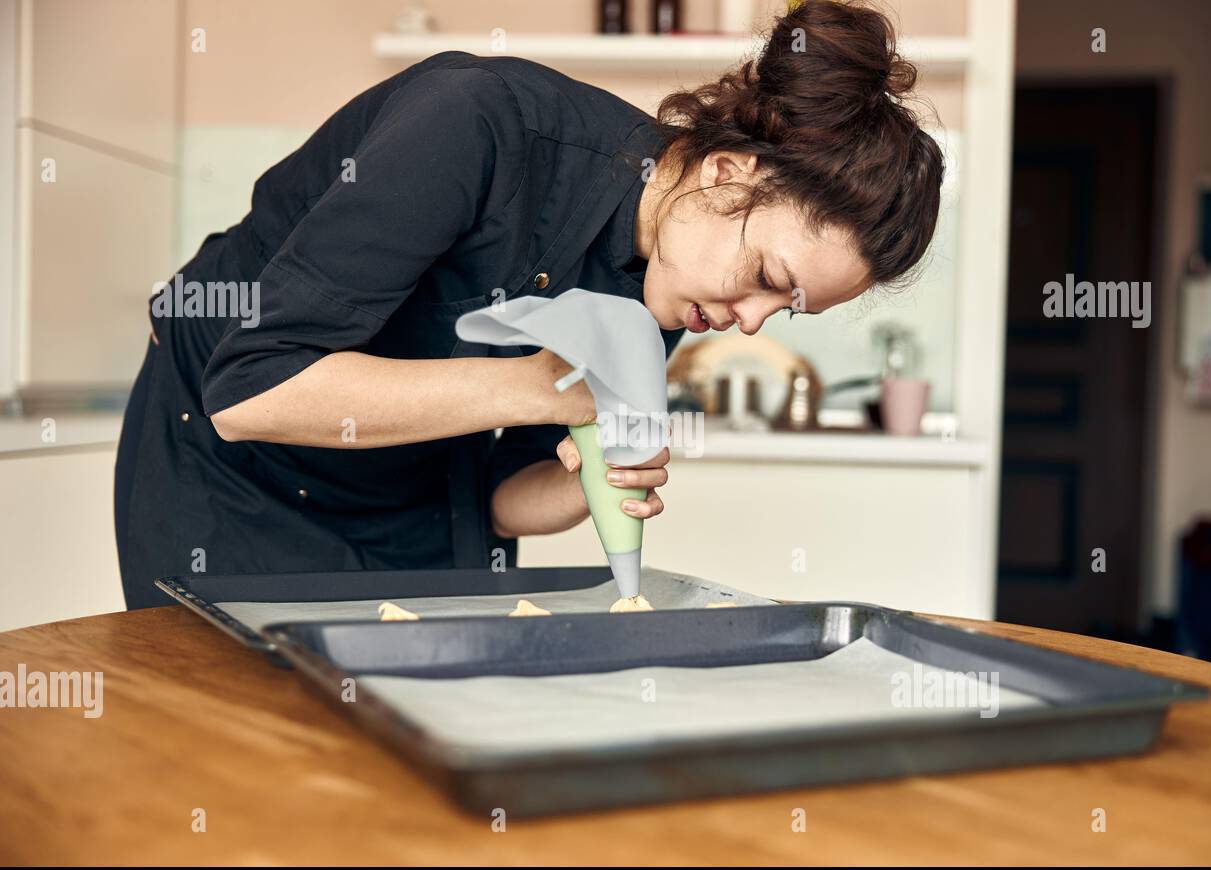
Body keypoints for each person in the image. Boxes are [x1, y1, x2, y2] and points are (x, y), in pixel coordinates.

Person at [114, 0, 944, 608]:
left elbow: (504, 497)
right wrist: (534, 388)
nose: (752, 320)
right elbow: (252, 392)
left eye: (787, 308)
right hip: (226, 466)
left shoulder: (667, 291)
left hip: (402, 497)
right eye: (767, 274)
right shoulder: (472, 125)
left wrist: (584, 479)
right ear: (728, 173)